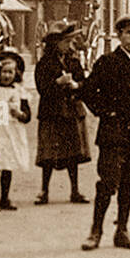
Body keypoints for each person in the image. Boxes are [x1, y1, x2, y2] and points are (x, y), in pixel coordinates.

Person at [79, 13, 130, 251]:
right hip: (113, 132)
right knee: (107, 182)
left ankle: (122, 230)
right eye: (129, 33)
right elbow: (88, 92)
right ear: (120, 35)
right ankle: (96, 231)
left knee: (129, 182)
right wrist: (106, 112)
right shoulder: (107, 61)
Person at [33, 21, 91, 205]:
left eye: (70, 41)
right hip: (52, 112)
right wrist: (57, 83)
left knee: (73, 152)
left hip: (72, 111)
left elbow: (84, 84)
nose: (69, 45)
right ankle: (44, 191)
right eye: (66, 42)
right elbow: (42, 88)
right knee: (49, 154)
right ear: (55, 43)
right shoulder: (44, 64)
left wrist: (76, 85)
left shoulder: (74, 62)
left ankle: (75, 191)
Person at [0, 47, 32, 210]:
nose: (7, 76)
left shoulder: (19, 91)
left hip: (12, 133)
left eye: (10, 72)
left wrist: (19, 113)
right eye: (4, 72)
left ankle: (5, 197)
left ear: (16, 73)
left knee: (8, 166)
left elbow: (27, 116)